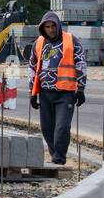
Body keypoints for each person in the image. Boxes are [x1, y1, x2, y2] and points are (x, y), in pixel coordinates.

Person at [28, 11, 86, 166]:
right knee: (47, 128)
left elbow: (81, 63)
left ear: (58, 26)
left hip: (65, 93)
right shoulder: (38, 43)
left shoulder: (71, 40)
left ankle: (59, 159)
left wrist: (80, 89)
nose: (51, 29)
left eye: (53, 26)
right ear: (43, 28)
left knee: (61, 128)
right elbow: (33, 67)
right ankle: (55, 157)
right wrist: (32, 93)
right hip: (45, 93)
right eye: (47, 27)